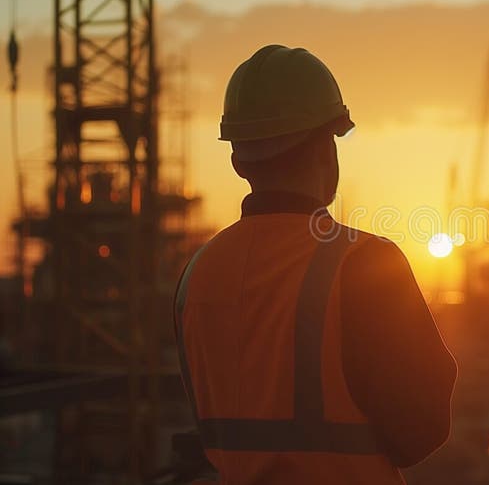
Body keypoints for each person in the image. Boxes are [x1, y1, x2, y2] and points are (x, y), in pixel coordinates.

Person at [174, 44, 457, 484]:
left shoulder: (196, 275)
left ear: (236, 162)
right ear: (326, 151)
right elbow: (421, 430)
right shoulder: (363, 265)